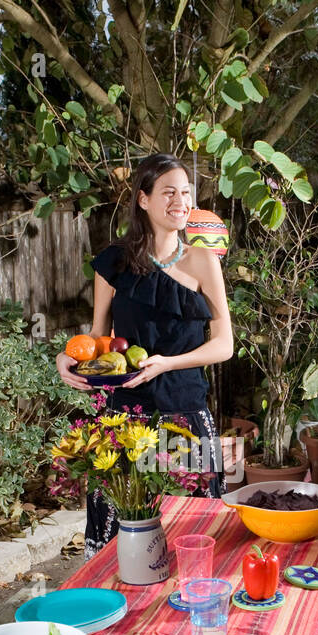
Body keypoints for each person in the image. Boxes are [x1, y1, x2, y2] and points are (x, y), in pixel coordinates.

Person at [56, 153, 234, 557]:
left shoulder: (204, 260)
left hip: (185, 414)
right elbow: (99, 340)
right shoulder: (114, 263)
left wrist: (168, 363)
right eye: (169, 192)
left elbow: (224, 344)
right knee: (121, 540)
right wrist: (66, 357)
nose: (180, 201)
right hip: (124, 419)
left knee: (189, 537)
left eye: (186, 193)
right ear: (143, 200)